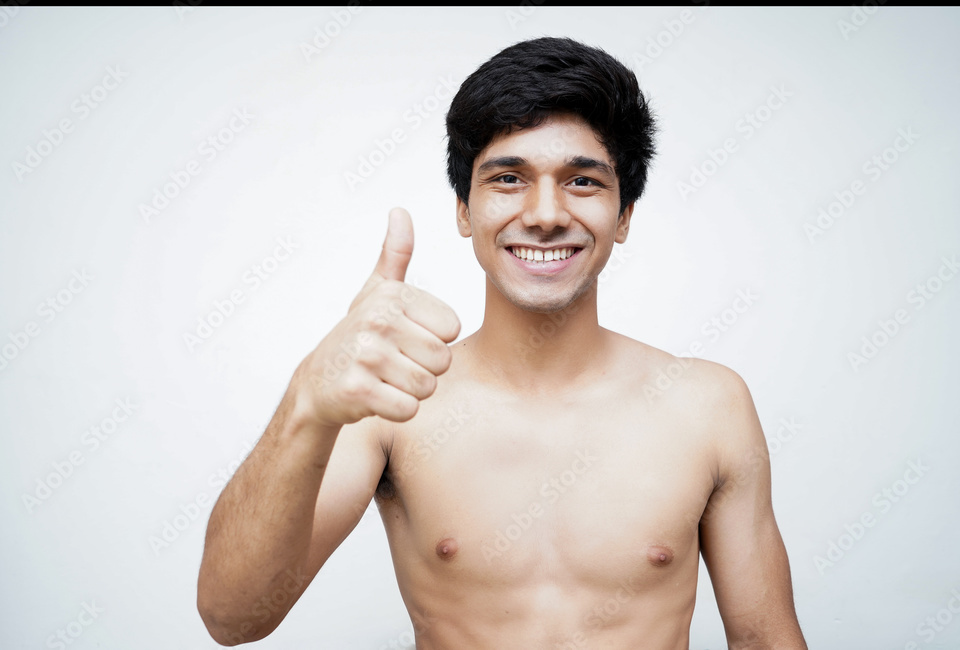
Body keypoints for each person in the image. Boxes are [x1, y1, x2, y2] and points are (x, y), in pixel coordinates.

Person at [196, 36, 808, 649]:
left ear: (624, 215)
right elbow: (233, 617)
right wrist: (306, 398)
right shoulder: (394, 403)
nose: (545, 214)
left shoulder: (707, 405)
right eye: (509, 178)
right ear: (464, 209)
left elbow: (764, 638)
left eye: (584, 181)